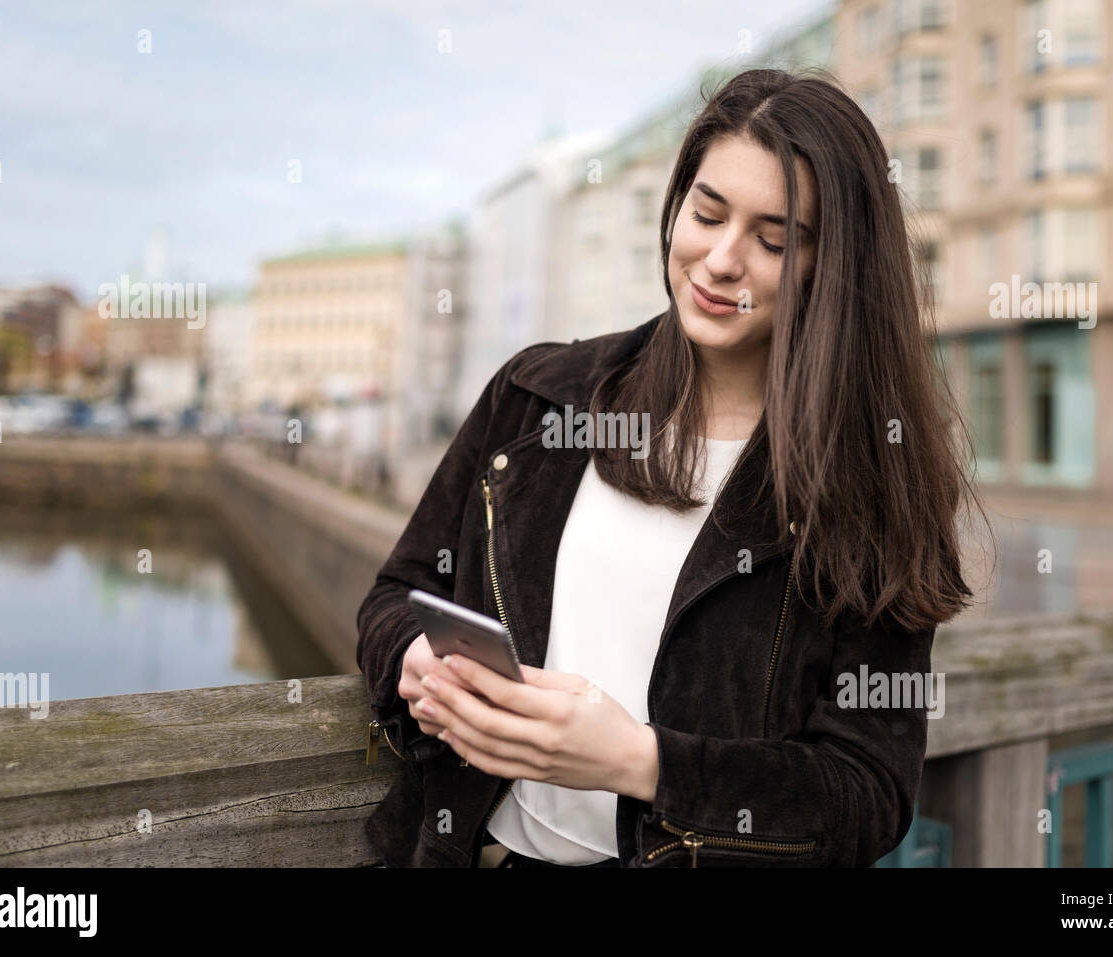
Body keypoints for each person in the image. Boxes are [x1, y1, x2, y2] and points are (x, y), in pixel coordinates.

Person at [356, 67, 988, 868]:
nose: (721, 260)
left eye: (773, 238)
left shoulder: (870, 480)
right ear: (676, 205)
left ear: (829, 266)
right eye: (707, 213)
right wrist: (414, 657)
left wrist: (638, 761)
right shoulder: (536, 396)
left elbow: (868, 793)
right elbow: (394, 594)